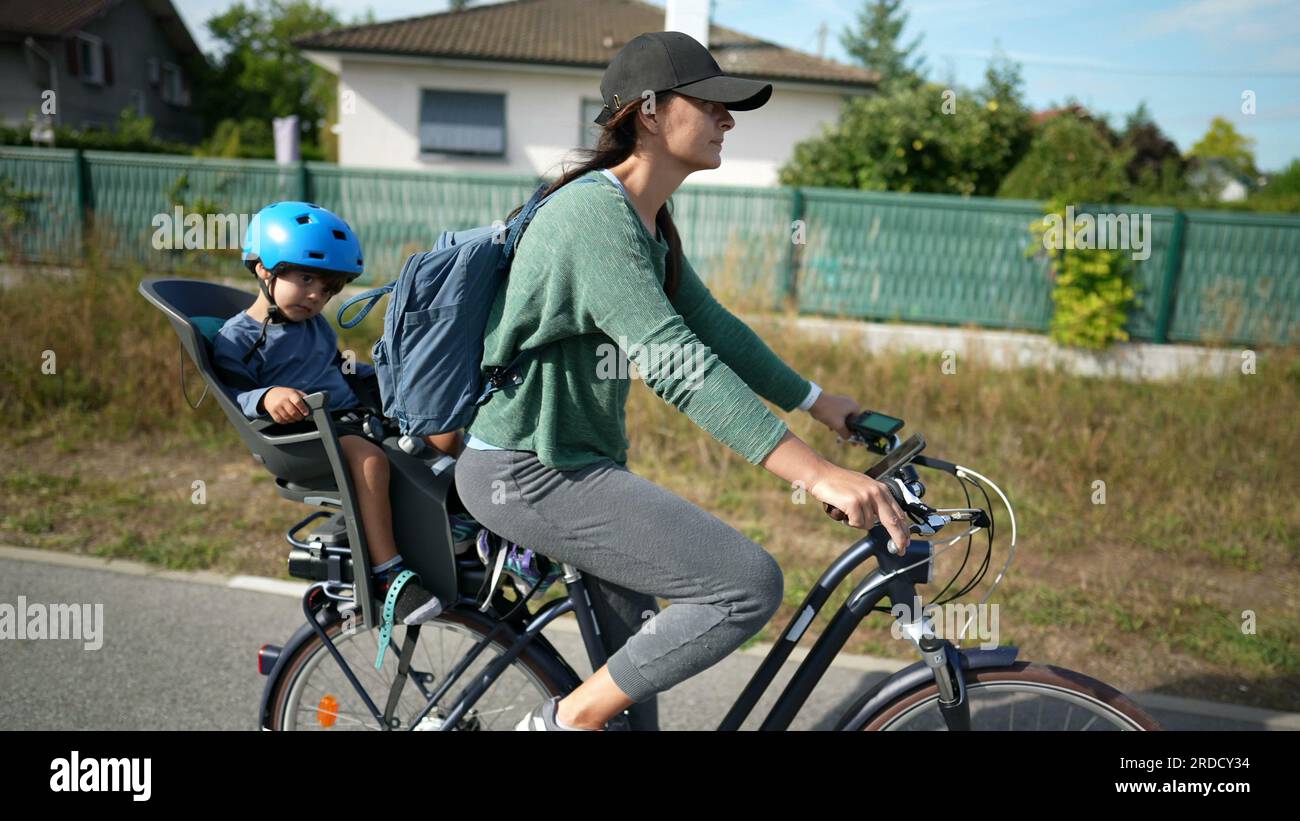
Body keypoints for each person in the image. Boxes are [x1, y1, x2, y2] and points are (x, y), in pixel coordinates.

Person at [451, 32, 912, 732]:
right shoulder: (592, 217)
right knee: (746, 584)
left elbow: (710, 326)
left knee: (636, 691)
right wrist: (817, 475)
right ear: (650, 111)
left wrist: (824, 405)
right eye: (712, 104)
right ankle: (561, 723)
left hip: (578, 464)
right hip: (530, 470)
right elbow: (674, 361)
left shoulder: (646, 218)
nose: (728, 119)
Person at [212, 201, 464, 626]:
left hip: (349, 419)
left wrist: (391, 375)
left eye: (328, 289)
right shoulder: (235, 338)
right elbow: (235, 395)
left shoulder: (314, 327)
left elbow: (338, 369)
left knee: (444, 428)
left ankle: (457, 530)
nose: (316, 295)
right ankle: (388, 574)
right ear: (263, 269)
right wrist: (268, 396)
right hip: (305, 436)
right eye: (306, 278)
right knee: (369, 459)